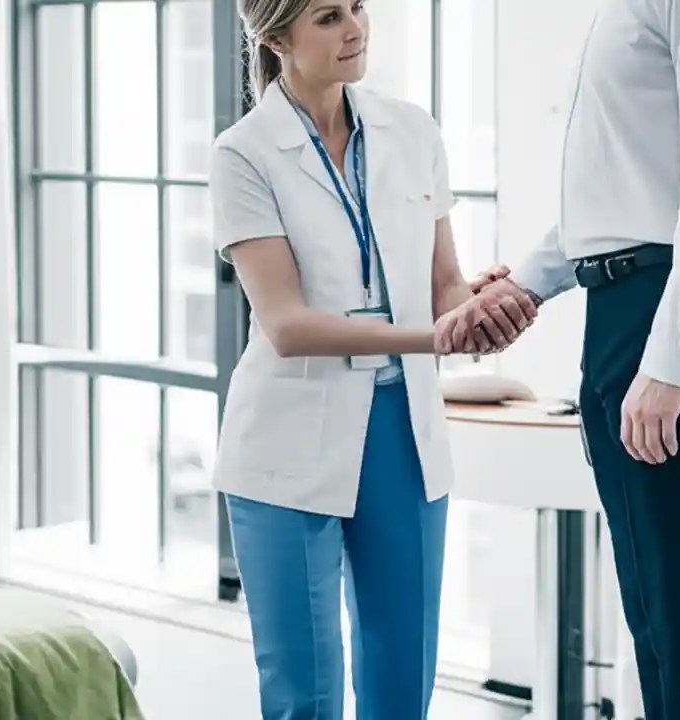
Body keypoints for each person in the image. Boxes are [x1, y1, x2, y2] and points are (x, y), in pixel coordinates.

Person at [436, 0, 680, 717]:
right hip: (628, 302)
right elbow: (616, 191)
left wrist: (670, 362)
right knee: (655, 610)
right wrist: (524, 287)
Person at [208, 1, 536, 718]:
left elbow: (442, 283)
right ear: (275, 35)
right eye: (328, 17)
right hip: (285, 442)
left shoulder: (412, 132)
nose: (355, 28)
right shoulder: (243, 153)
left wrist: (474, 314)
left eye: (358, 7)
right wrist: (433, 336)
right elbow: (287, 325)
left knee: (401, 680)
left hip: (403, 432)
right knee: (307, 692)